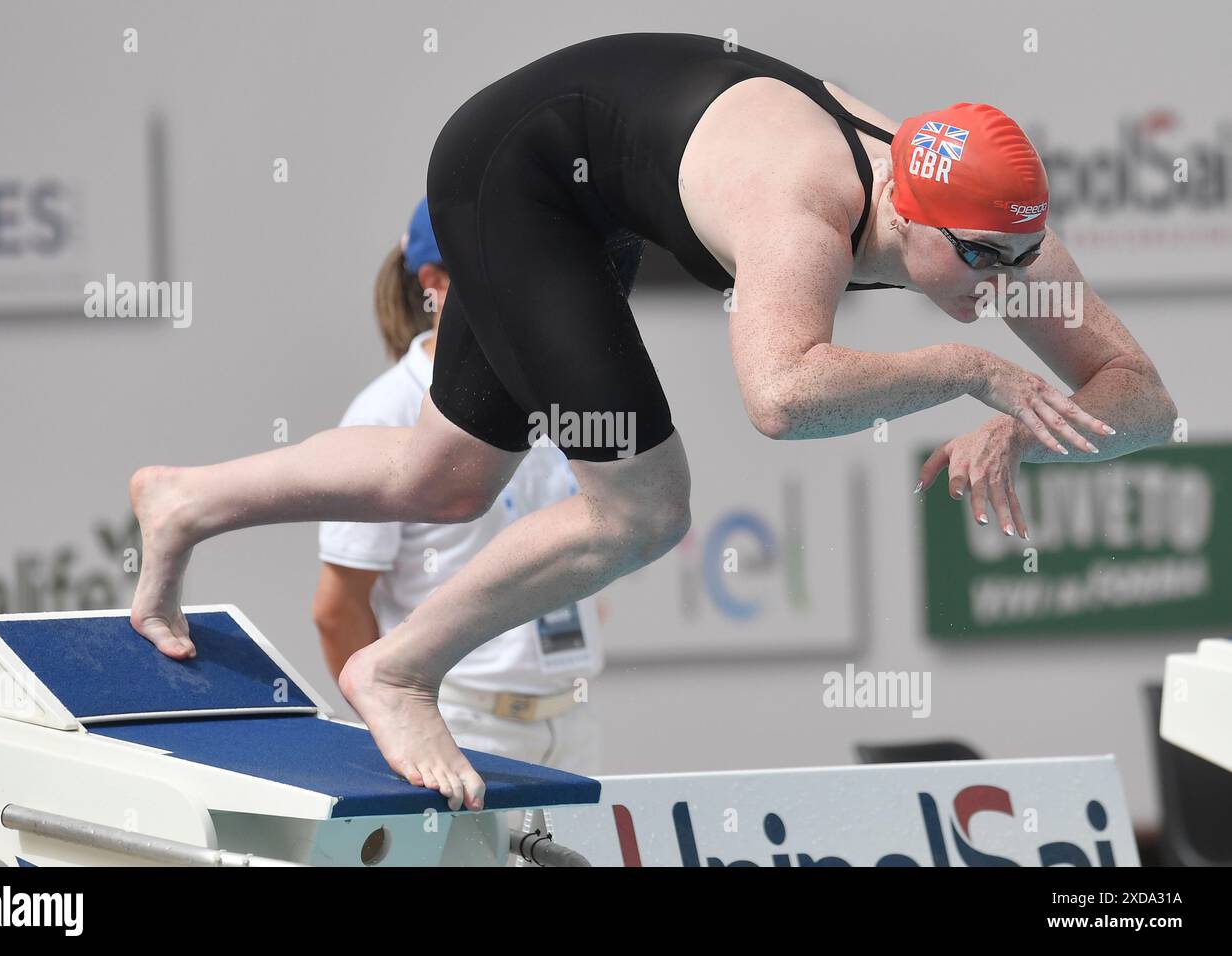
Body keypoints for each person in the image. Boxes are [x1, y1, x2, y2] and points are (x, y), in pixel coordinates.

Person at [127, 33, 1176, 811]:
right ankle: (396, 669)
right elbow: (780, 396)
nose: (1002, 286)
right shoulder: (806, 204)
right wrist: (962, 368)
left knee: (443, 475)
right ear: (904, 208)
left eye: (1019, 263)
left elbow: (1144, 398)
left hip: (589, 177)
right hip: (518, 172)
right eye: (981, 262)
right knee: (642, 507)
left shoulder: (996, 224)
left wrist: (1027, 424)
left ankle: (184, 497)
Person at [312, 199, 602, 773]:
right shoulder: (387, 410)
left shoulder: (558, 385)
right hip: (459, 724)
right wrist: (399, 726)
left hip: (572, 720)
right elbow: (336, 609)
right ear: (432, 282)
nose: (524, 284)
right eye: (499, 266)